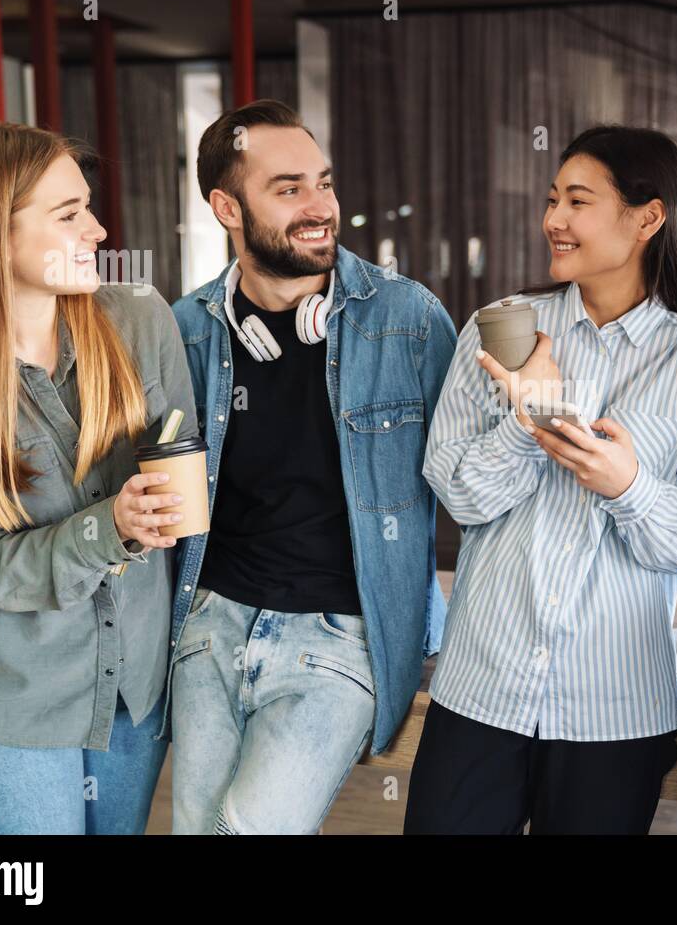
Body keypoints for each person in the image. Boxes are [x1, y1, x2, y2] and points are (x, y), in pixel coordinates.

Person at [405, 126, 677, 834]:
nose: (553, 218)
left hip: (614, 709)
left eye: (578, 200)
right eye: (553, 198)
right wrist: (531, 421)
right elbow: (456, 493)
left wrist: (629, 485)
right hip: (480, 691)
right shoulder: (499, 330)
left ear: (648, 218)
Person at [0, 120, 198, 834]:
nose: (97, 229)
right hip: (10, 701)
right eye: (68, 214)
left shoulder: (141, 319)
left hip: (134, 692)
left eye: (87, 206)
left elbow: (186, 468)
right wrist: (110, 529)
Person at [165, 100, 457, 834]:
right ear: (226, 207)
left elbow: (473, 484)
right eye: (288, 188)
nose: (321, 206)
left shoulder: (409, 319)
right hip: (210, 623)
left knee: (243, 828)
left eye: (322, 183)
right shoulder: (188, 330)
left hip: (340, 634)